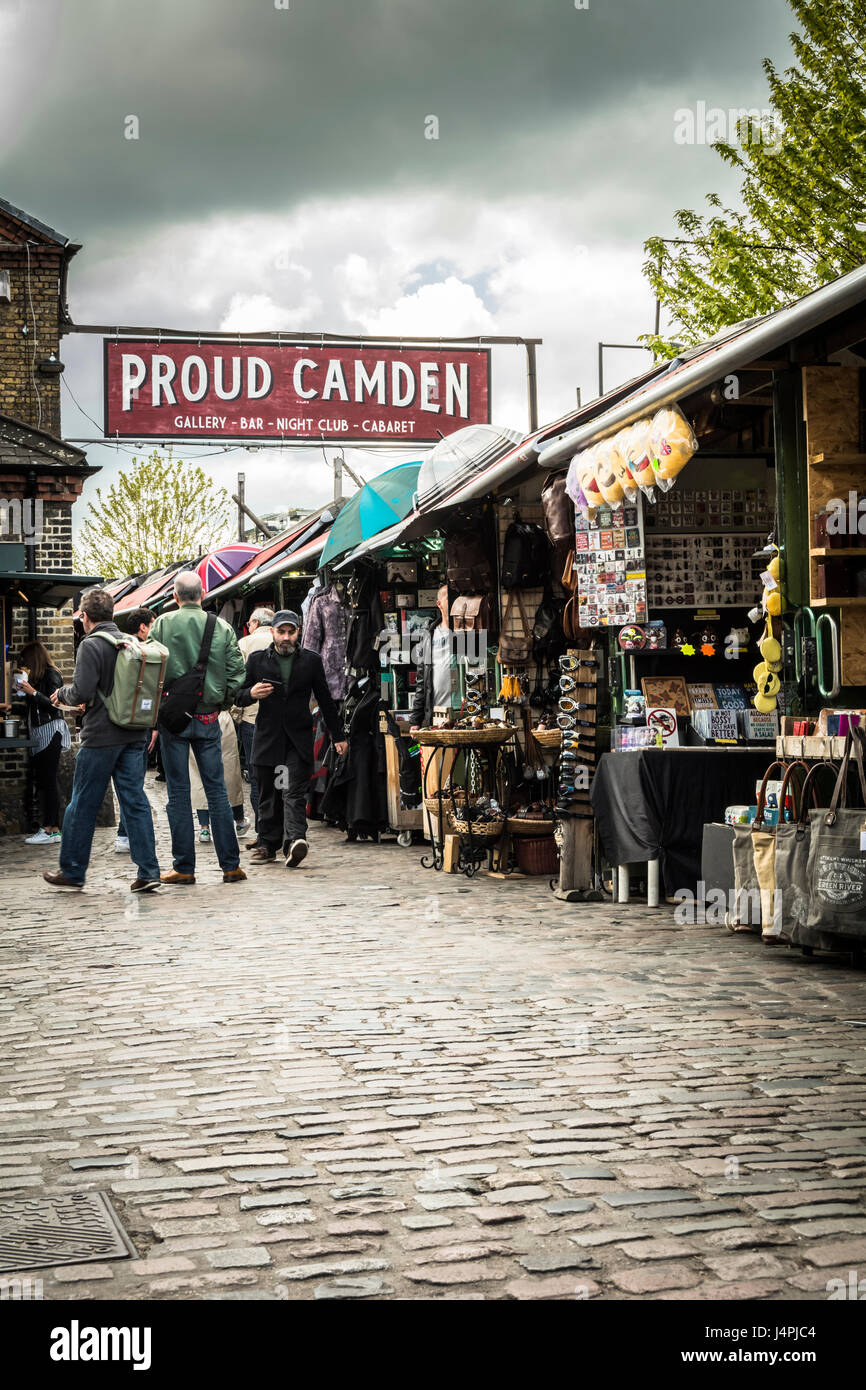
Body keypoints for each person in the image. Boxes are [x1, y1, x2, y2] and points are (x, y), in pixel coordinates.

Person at [42, 588, 161, 893]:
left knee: (82, 803)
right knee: (135, 801)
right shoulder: (131, 641)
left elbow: (81, 692)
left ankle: (72, 870)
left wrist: (61, 695)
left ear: (85, 616)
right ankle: (148, 871)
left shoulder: (91, 645)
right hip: (134, 732)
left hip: (101, 736)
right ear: (111, 613)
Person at [149, 572, 247, 885]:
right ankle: (230, 865)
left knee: (178, 793)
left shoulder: (162, 624)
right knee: (217, 791)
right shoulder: (221, 626)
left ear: (176, 597)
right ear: (202, 595)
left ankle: (184, 867)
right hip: (208, 717)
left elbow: (150, 668)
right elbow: (237, 671)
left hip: (174, 721)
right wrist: (222, 699)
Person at [235, 609, 347, 867]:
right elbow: (237, 695)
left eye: (291, 632)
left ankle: (295, 841)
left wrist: (338, 736)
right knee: (269, 792)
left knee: (293, 791)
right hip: (268, 738)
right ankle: (267, 844)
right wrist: (251, 693)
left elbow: (325, 700)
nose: (286, 637)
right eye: (281, 632)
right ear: (272, 632)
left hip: (297, 740)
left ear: (298, 632)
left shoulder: (310, 661)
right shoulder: (256, 661)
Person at [17, 641, 72, 846]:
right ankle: (53, 829)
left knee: (49, 781)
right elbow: (33, 708)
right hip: (39, 732)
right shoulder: (38, 677)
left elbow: (54, 704)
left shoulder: (52, 674)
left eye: (26, 661)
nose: (25, 666)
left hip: (51, 731)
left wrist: (32, 692)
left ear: (34, 659)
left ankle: (49, 829)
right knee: (44, 781)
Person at [115, 607, 156, 853]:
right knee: (133, 785)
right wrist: (153, 726)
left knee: (126, 784)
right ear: (143, 627)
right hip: (138, 727)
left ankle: (124, 834)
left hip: (117, 726)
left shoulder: (119, 649)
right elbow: (149, 692)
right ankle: (127, 834)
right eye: (152, 624)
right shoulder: (144, 653)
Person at [235, 606, 274, 843]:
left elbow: (237, 683)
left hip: (251, 718)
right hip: (281, 719)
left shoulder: (245, 644)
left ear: (255, 623)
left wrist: (235, 715)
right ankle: (282, 825)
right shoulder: (287, 642)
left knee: (257, 773)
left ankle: (263, 829)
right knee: (282, 772)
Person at [191, 709, 249, 840]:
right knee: (229, 772)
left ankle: (204, 828)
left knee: (198, 775)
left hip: (194, 718)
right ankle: (239, 821)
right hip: (220, 716)